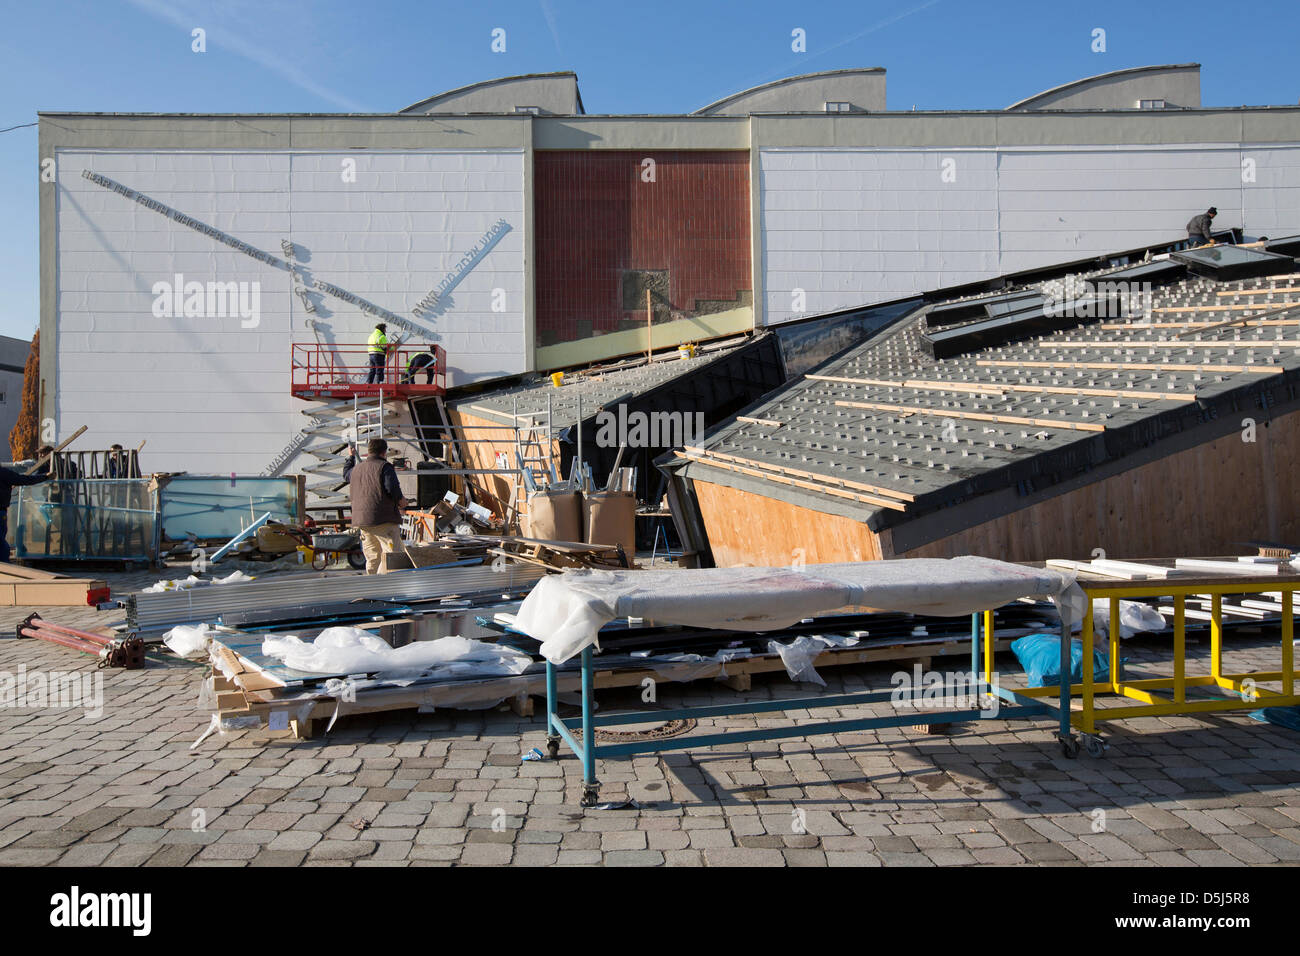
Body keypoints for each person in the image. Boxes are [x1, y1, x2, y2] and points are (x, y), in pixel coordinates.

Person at [343, 437, 409, 574]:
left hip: (362, 522)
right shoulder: (384, 467)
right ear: (384, 453)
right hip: (383, 519)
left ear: (369, 451)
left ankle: (372, 588)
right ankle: (389, 588)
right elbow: (392, 487)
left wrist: (350, 457)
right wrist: (401, 501)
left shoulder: (356, 470)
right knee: (393, 556)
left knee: (373, 557)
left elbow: (345, 474)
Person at [0, 461, 52, 563]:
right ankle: (4, 566)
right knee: (0, 542)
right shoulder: (3, 473)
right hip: (0, 511)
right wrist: (45, 476)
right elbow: (24, 479)